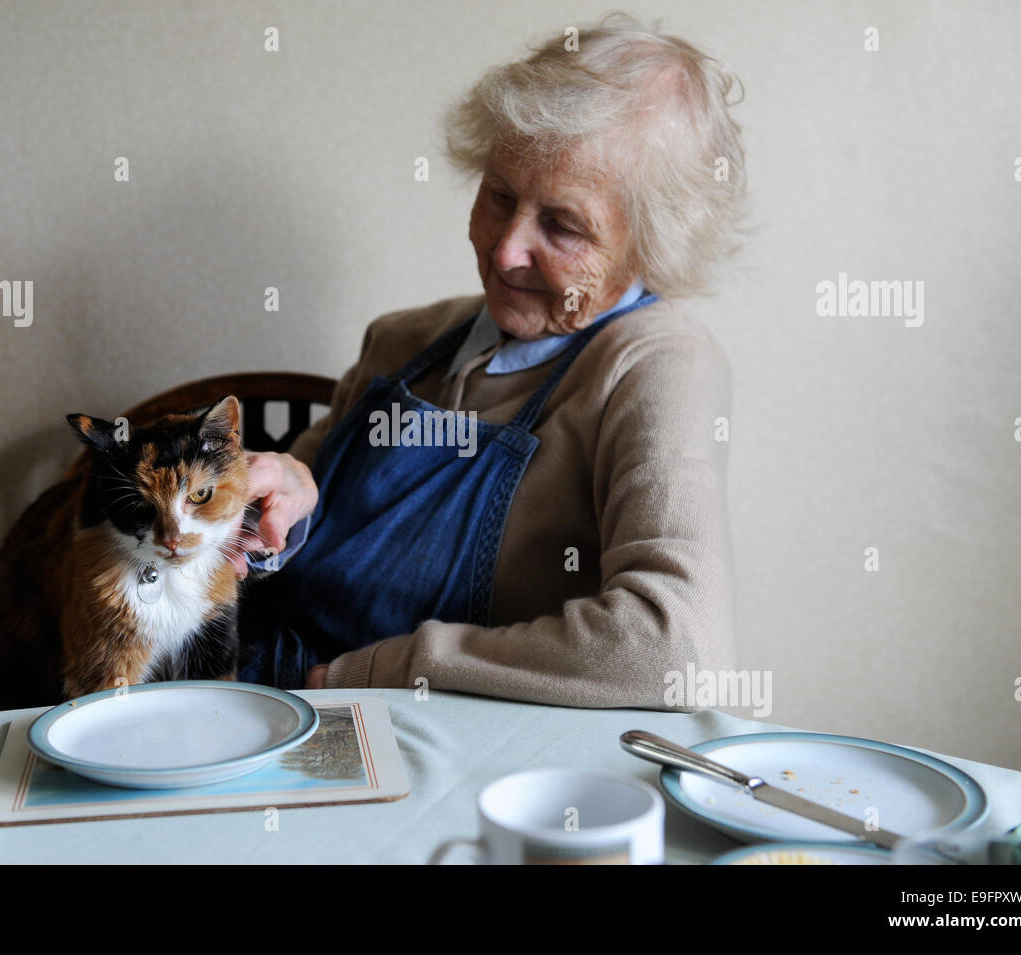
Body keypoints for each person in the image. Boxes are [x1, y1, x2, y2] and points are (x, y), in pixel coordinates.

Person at [227, 13, 748, 708]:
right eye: (499, 195)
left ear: (652, 244)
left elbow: (677, 647)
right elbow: (285, 525)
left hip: (442, 747)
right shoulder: (402, 342)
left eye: (562, 224)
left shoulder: (656, 366)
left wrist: (386, 670)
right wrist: (284, 487)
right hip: (265, 698)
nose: (505, 250)